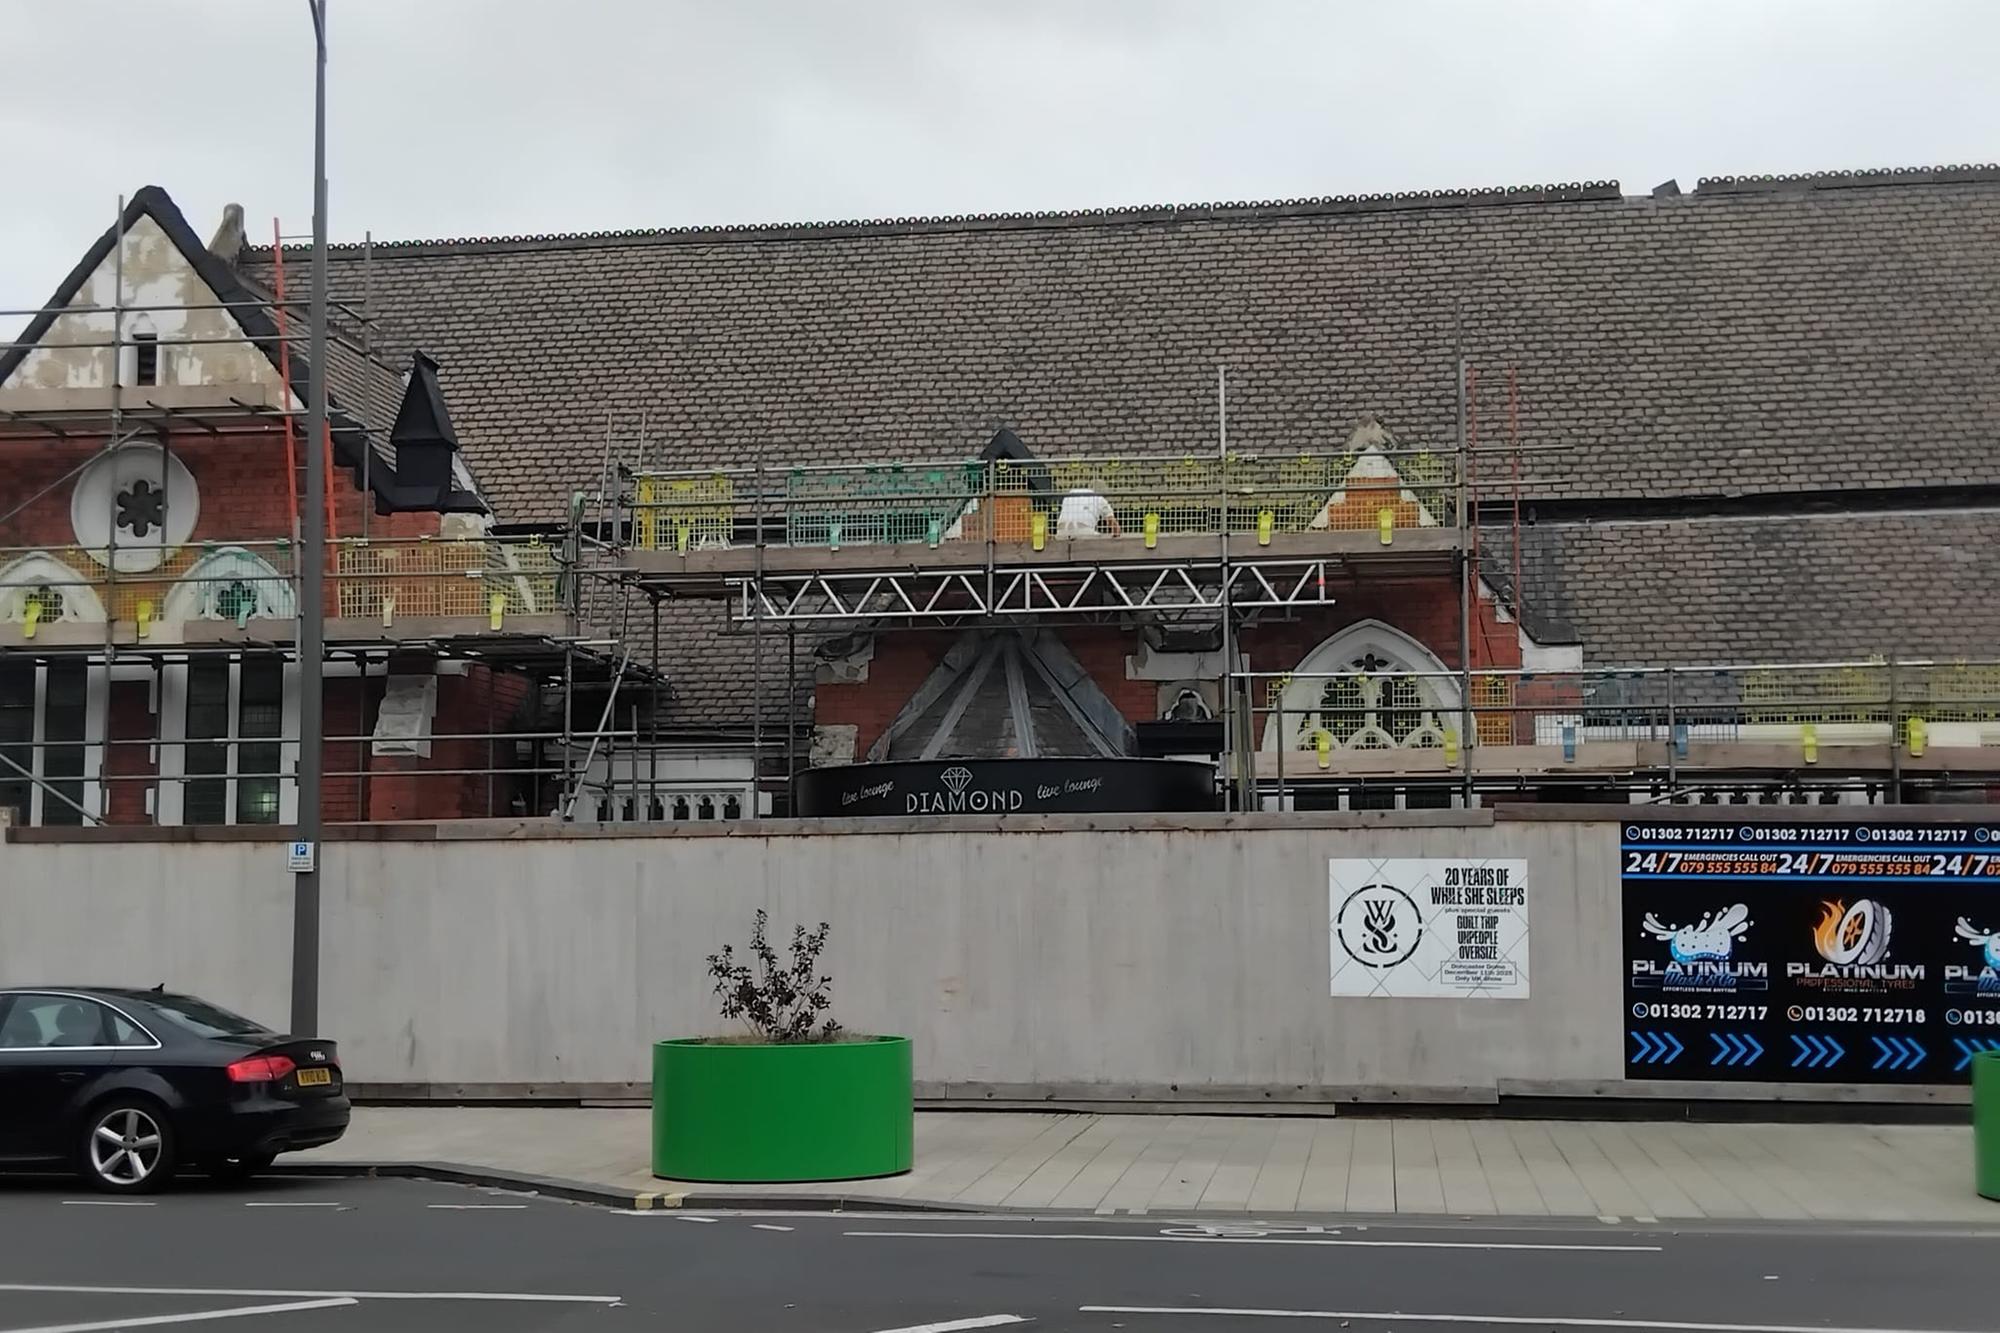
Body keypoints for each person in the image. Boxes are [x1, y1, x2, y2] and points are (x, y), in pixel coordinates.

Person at [1055, 485, 1122, 539]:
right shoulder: (1100, 498)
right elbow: (1113, 523)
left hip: (1061, 532)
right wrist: (1116, 536)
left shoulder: (1070, 493)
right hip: (1084, 531)